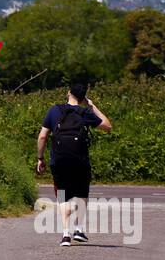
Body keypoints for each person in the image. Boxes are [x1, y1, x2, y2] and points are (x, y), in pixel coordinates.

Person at [36, 81, 112, 246]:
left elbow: (42, 137)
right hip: (80, 161)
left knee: (63, 195)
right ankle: (78, 229)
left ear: (68, 92)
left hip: (59, 160)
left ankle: (65, 235)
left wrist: (40, 158)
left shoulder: (54, 110)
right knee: (82, 193)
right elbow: (107, 126)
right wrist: (92, 106)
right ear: (84, 97)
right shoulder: (85, 113)